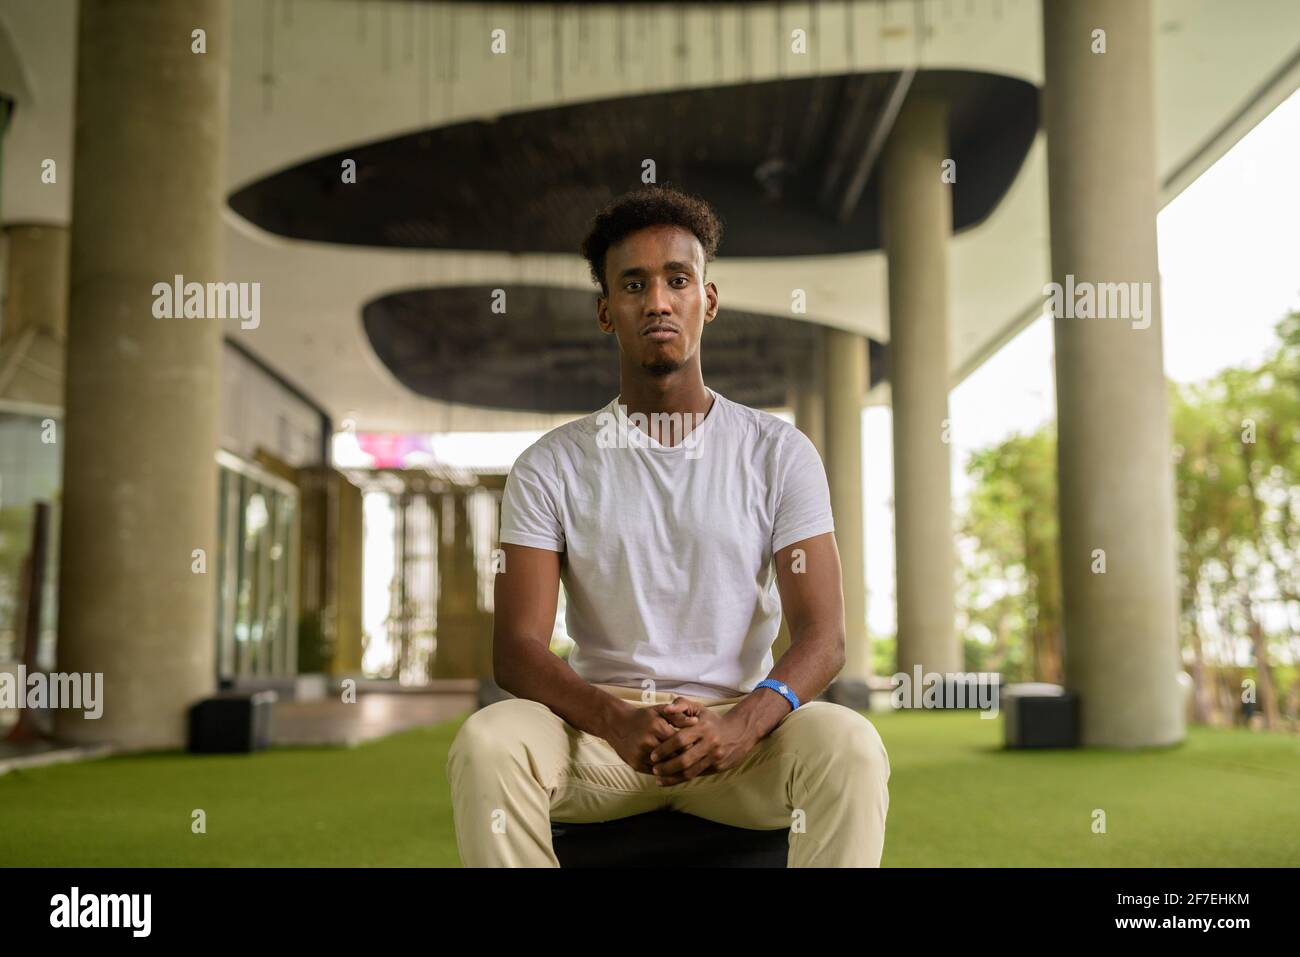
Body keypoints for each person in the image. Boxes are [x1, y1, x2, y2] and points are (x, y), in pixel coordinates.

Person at [446, 184, 890, 867]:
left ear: (706, 301)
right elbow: (516, 649)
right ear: (605, 311)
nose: (657, 301)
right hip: (602, 738)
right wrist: (613, 720)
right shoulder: (551, 465)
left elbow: (824, 638)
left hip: (742, 733)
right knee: (487, 742)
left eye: (677, 280)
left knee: (851, 744)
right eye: (633, 284)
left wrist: (742, 724)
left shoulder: (778, 452)